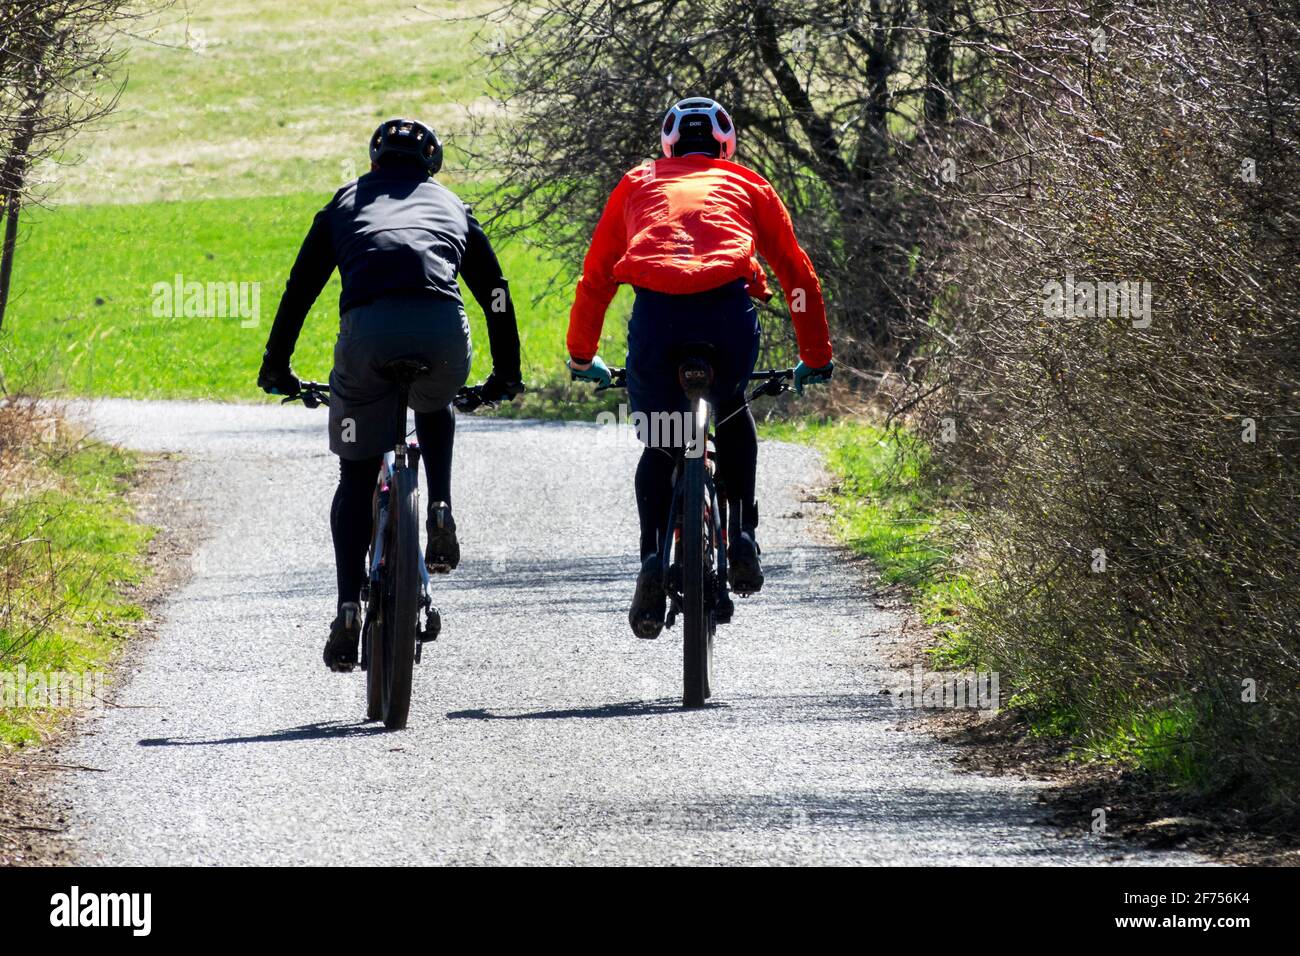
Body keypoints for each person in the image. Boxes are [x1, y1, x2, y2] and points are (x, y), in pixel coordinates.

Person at [257, 118, 524, 671]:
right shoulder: (452, 205)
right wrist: (506, 373)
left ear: (375, 161)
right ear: (431, 165)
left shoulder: (344, 202)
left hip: (368, 339)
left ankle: (348, 605)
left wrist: (276, 367)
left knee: (356, 473)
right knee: (434, 399)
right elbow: (494, 294)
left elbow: (300, 289)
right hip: (441, 335)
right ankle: (442, 507)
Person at [565, 97, 834, 639]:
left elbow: (596, 278)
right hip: (726, 317)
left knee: (662, 442)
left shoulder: (637, 181)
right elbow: (797, 277)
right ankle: (741, 538)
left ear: (668, 146)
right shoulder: (748, 183)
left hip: (658, 321)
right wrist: (815, 358)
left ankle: (649, 561)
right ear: (724, 145)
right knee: (731, 406)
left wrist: (581, 355)